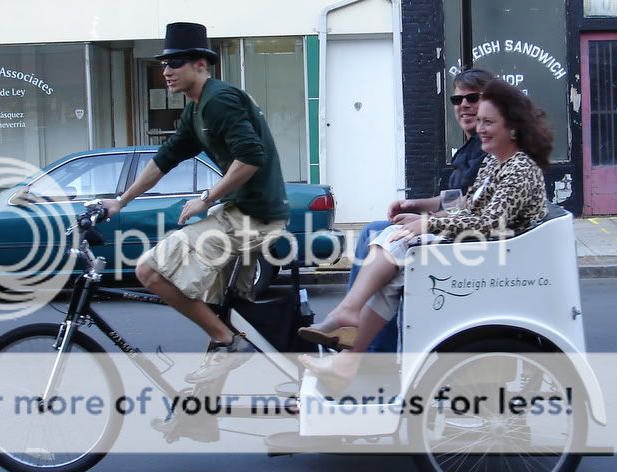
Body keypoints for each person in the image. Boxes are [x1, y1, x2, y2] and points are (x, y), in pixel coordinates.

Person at [298, 79, 552, 392]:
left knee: (397, 242)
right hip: (484, 252)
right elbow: (469, 208)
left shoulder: (519, 168)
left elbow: (490, 223)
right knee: (392, 260)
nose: (481, 128)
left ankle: (348, 319)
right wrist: (426, 218)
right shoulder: (495, 163)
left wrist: (430, 224)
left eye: (489, 122)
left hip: (495, 259)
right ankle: (348, 356)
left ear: (512, 127)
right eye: (481, 122)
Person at [103, 22, 289, 385]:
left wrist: (207, 198)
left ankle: (229, 343)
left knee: (150, 272)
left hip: (255, 216)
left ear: (201, 65)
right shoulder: (196, 110)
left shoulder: (218, 100)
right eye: (164, 63)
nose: (166, 71)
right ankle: (203, 412)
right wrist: (120, 201)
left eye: (176, 62)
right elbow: (163, 160)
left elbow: (252, 156)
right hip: (241, 212)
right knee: (216, 307)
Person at [344, 68, 494, 353]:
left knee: (379, 235)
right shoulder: (474, 146)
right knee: (374, 233)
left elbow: (474, 210)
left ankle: (367, 341)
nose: (463, 105)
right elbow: (456, 199)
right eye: (457, 100)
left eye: (472, 98)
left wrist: (427, 220)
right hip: (457, 232)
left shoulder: (491, 150)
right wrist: (416, 205)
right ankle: (358, 330)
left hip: (467, 243)